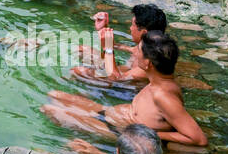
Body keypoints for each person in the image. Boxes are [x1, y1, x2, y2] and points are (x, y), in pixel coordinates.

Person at [43, 31, 208, 147]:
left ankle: (79, 143)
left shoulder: (163, 96)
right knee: (54, 95)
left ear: (148, 63)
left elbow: (198, 139)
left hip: (117, 131)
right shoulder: (157, 80)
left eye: (138, 51)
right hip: (109, 113)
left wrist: (151, 135)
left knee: (48, 109)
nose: (134, 53)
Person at [71, 4, 168, 83]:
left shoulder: (150, 61)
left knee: (78, 71)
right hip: (120, 72)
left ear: (143, 32)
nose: (130, 28)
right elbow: (117, 46)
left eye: (132, 25)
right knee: (82, 49)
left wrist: (108, 48)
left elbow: (115, 79)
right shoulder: (144, 47)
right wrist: (103, 29)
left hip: (122, 87)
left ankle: (84, 94)